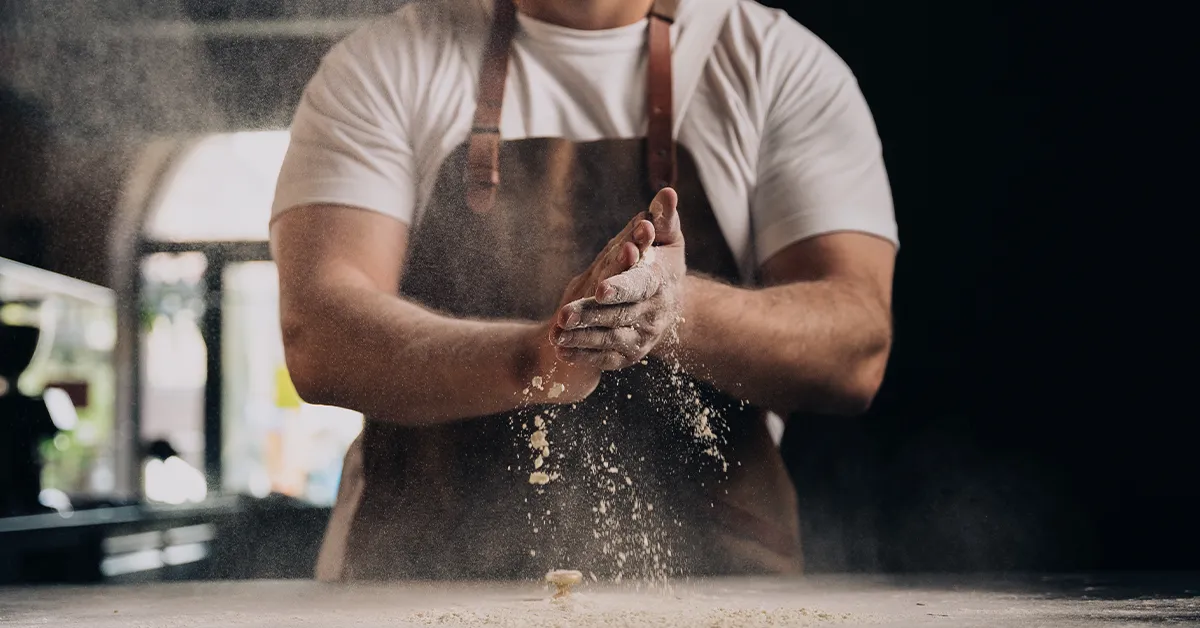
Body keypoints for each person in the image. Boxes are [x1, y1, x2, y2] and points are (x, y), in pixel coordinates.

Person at [269, 0, 897, 582]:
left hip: (716, 587)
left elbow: (856, 347)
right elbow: (320, 332)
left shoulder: (775, 62)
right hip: (410, 580)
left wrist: (673, 310)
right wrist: (537, 358)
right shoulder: (385, 63)